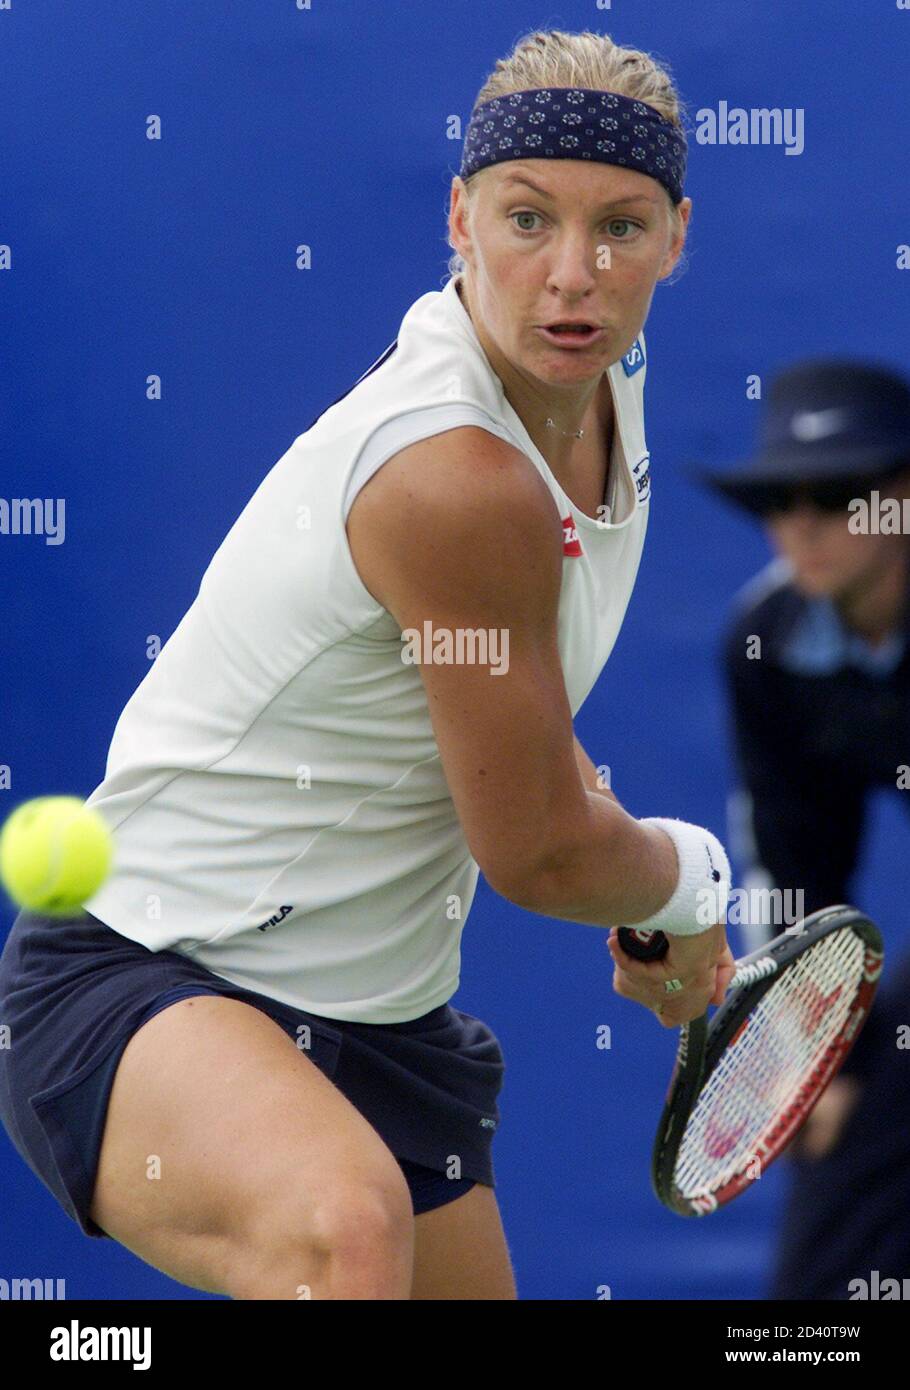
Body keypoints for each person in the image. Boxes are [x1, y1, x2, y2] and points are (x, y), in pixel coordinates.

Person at [0, 28, 736, 1302]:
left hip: (384, 1026)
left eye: (620, 228)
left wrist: (629, 874)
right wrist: (690, 883)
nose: (572, 275)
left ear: (677, 237)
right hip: (148, 980)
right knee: (343, 1228)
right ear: (457, 219)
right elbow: (536, 852)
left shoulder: (598, 394)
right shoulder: (448, 474)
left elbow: (504, 707)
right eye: (524, 219)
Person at [696, 358, 910, 1299]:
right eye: (781, 499)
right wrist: (817, 1054)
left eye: (840, 493)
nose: (805, 525)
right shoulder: (768, 645)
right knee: (835, 1223)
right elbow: (793, 866)